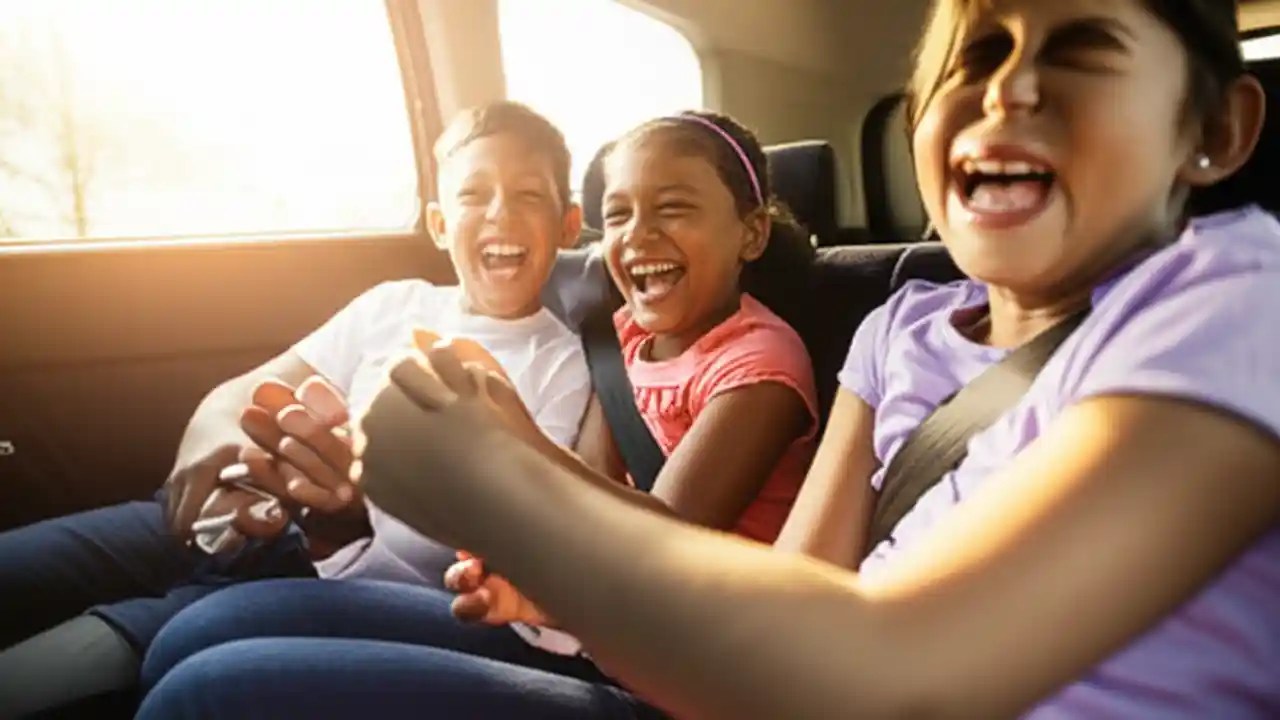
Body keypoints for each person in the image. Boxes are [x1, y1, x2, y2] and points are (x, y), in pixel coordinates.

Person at [140, 0, 1280, 718]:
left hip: (831, 682)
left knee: (216, 693)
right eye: (970, 55)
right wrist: (561, 573)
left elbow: (899, 669)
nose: (1006, 88)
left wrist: (502, 481)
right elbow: (797, 583)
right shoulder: (902, 329)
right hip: (757, 679)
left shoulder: (1234, 299)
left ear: (1216, 130)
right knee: (202, 642)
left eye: (1080, 51)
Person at [135, 111, 821, 718]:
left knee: (205, 690)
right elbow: (579, 504)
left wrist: (506, 437)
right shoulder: (622, 344)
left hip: (670, 679)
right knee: (196, 633)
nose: (638, 235)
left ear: (751, 234)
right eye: (618, 214)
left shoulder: (761, 363)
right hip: (568, 624)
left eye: (672, 208)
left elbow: (666, 543)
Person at [0, 100, 592, 718]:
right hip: (233, 522)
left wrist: (345, 514)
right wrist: (215, 454)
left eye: (528, 196)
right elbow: (237, 395)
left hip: (330, 582)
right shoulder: (396, 304)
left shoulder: (564, 365)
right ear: (440, 224)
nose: (500, 214)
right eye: (474, 195)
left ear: (569, 223)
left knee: (45, 674)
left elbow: (504, 533)